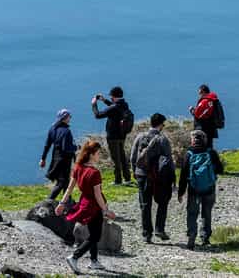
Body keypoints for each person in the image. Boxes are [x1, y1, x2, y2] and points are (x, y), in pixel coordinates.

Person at [55, 140, 116, 274]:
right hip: (94, 207)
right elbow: (98, 195)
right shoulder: (94, 173)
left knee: (93, 232)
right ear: (92, 154)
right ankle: (74, 257)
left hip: (84, 204)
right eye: (98, 153)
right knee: (95, 236)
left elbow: (70, 188)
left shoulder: (78, 167)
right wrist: (106, 211)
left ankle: (94, 261)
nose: (99, 155)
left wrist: (61, 203)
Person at [130, 113, 175, 243]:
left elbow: (133, 157)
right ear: (160, 125)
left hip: (142, 175)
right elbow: (168, 160)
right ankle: (159, 229)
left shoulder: (140, 137)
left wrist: (135, 171)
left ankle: (146, 234)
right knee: (163, 202)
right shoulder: (163, 139)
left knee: (145, 204)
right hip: (158, 177)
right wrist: (172, 177)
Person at [178, 129, 224, 250]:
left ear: (193, 140)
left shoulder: (189, 154)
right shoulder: (211, 152)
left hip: (193, 189)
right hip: (209, 188)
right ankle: (205, 237)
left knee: (192, 213)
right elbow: (220, 169)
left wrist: (181, 192)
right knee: (206, 212)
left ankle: (192, 235)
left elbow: (183, 175)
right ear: (204, 139)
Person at [92, 86, 133, 185]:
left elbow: (98, 115)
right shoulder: (124, 104)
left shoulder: (114, 107)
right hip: (122, 135)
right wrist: (104, 100)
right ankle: (127, 178)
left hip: (113, 136)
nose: (110, 98)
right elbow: (114, 107)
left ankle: (118, 180)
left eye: (111, 96)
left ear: (114, 96)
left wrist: (94, 104)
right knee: (122, 157)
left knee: (116, 159)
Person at [40, 108, 77, 200]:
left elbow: (47, 145)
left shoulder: (52, 128)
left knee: (65, 180)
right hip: (64, 159)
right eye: (69, 117)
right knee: (62, 182)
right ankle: (49, 201)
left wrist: (43, 159)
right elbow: (66, 148)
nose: (70, 118)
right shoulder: (66, 131)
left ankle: (67, 200)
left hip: (55, 157)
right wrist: (76, 147)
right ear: (65, 118)